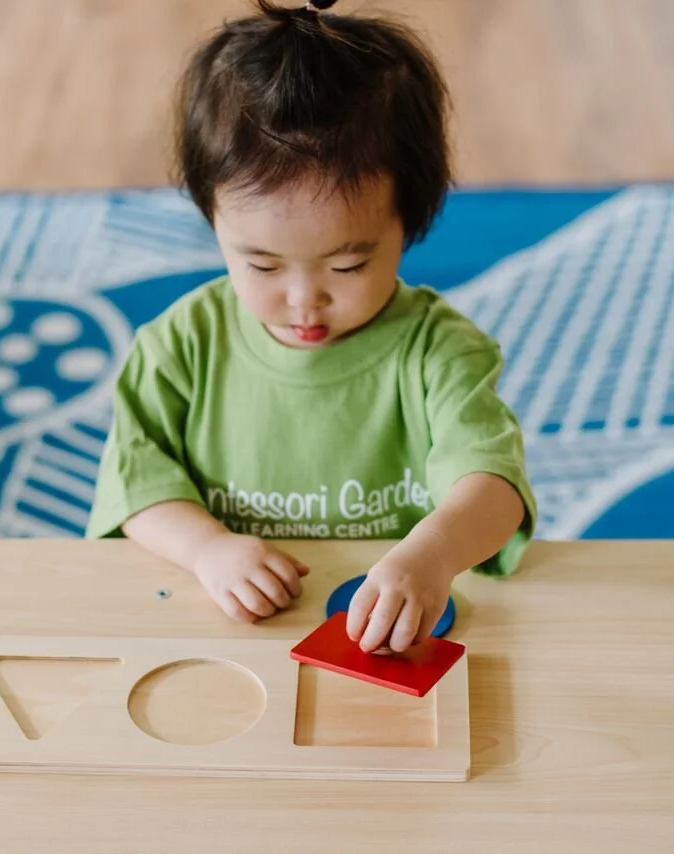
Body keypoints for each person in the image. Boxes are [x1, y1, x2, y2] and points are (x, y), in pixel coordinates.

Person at [86, 0, 536, 654]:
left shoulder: (438, 351)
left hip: (385, 632)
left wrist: (433, 555)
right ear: (213, 220)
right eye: (262, 264)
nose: (304, 300)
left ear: (408, 222)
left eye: (348, 265)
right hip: (232, 632)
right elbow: (134, 488)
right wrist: (208, 549)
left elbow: (494, 487)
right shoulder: (179, 346)